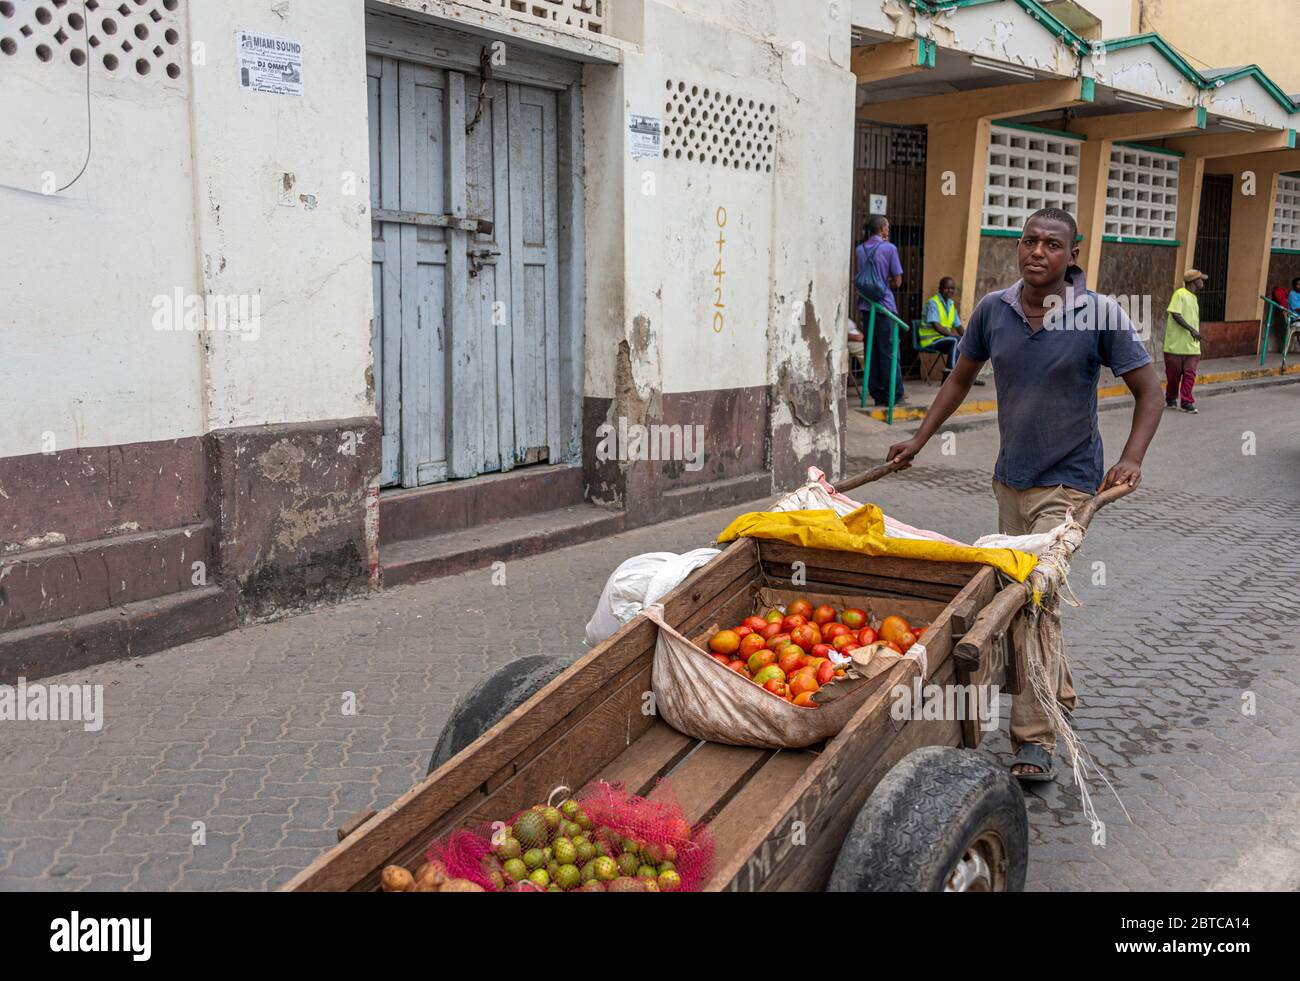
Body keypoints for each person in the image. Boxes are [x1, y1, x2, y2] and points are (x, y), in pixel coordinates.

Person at [886, 208, 1164, 782]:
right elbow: (960, 378)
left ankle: (1034, 740)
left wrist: (1131, 458)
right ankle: (1055, 693)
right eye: (1029, 241)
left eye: (1052, 245)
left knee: (1029, 601)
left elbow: (1150, 390)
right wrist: (918, 439)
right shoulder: (994, 309)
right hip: (1009, 480)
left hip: (1069, 486)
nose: (1038, 252)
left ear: (1072, 254)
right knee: (1025, 596)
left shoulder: (1098, 314)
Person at [855, 215, 907, 406]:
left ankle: (878, 394)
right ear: (883, 229)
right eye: (887, 227)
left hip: (866, 306)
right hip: (885, 307)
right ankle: (895, 394)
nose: (888, 230)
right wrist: (886, 283)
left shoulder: (860, 250)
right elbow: (898, 281)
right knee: (890, 351)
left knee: (873, 351)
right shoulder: (889, 248)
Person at [920, 278, 985, 385]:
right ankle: (949, 375)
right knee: (956, 341)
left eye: (952, 288)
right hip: (930, 341)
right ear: (940, 289)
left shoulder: (950, 304)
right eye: (946, 288)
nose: (949, 291)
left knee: (965, 343)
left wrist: (970, 339)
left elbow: (958, 326)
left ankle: (967, 377)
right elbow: (936, 326)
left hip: (945, 340)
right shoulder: (933, 303)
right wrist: (955, 337)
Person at [1164, 270, 1205, 414]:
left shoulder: (1193, 298)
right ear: (1193, 281)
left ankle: (1187, 401)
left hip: (1192, 347)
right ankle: (1171, 398)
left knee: (1189, 375)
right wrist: (1191, 330)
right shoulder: (1179, 294)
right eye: (1200, 279)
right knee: (1173, 377)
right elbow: (1175, 313)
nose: (1202, 282)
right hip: (1175, 346)